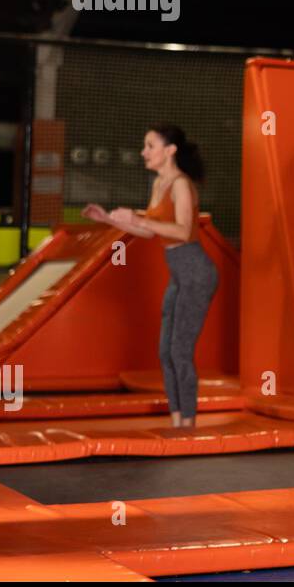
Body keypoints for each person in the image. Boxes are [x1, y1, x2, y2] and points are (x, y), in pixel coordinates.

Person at [83, 123, 217, 429]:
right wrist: (109, 219)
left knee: (180, 351)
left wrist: (138, 217)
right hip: (179, 273)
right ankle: (176, 422)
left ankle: (189, 425)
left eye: (150, 146)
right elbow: (146, 232)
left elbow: (183, 231)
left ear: (170, 151)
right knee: (165, 351)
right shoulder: (158, 184)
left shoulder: (181, 184)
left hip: (196, 271)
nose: (144, 152)